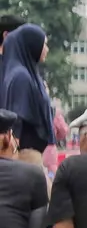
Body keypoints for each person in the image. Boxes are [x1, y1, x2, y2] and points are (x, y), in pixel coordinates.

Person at [0, 24, 54, 169]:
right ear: (32, 45)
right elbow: (17, 120)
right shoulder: (22, 77)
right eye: (44, 45)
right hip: (25, 156)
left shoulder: (19, 74)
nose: (47, 50)